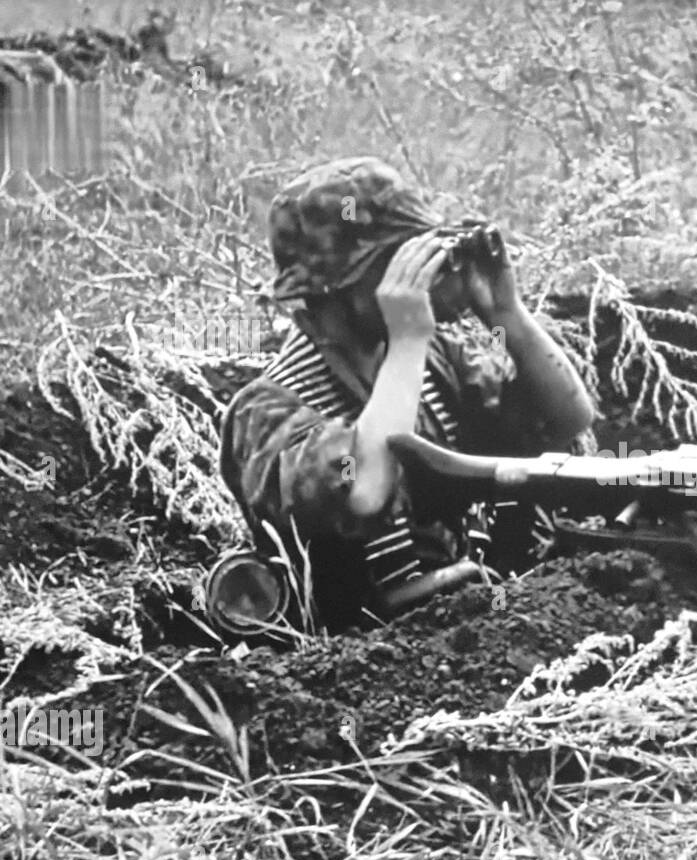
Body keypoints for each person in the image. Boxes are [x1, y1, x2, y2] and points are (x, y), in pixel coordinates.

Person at [218, 156, 595, 627]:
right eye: (400, 266)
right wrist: (409, 334)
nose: (420, 279)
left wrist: (505, 313)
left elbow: (566, 418)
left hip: (462, 625)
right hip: (345, 668)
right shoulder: (266, 410)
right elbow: (364, 492)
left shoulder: (432, 362)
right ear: (331, 290)